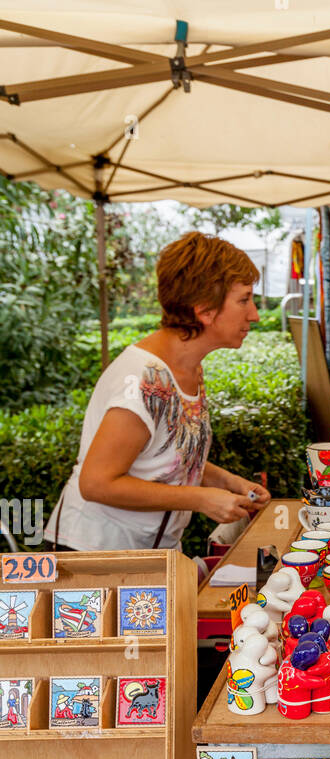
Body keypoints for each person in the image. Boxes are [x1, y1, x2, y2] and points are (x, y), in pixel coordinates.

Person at [45, 231, 271, 552]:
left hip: (145, 556)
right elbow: (96, 483)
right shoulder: (142, 380)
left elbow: (165, 456)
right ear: (205, 310)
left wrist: (227, 482)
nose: (255, 314)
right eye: (244, 299)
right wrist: (200, 499)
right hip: (93, 558)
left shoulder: (187, 368)